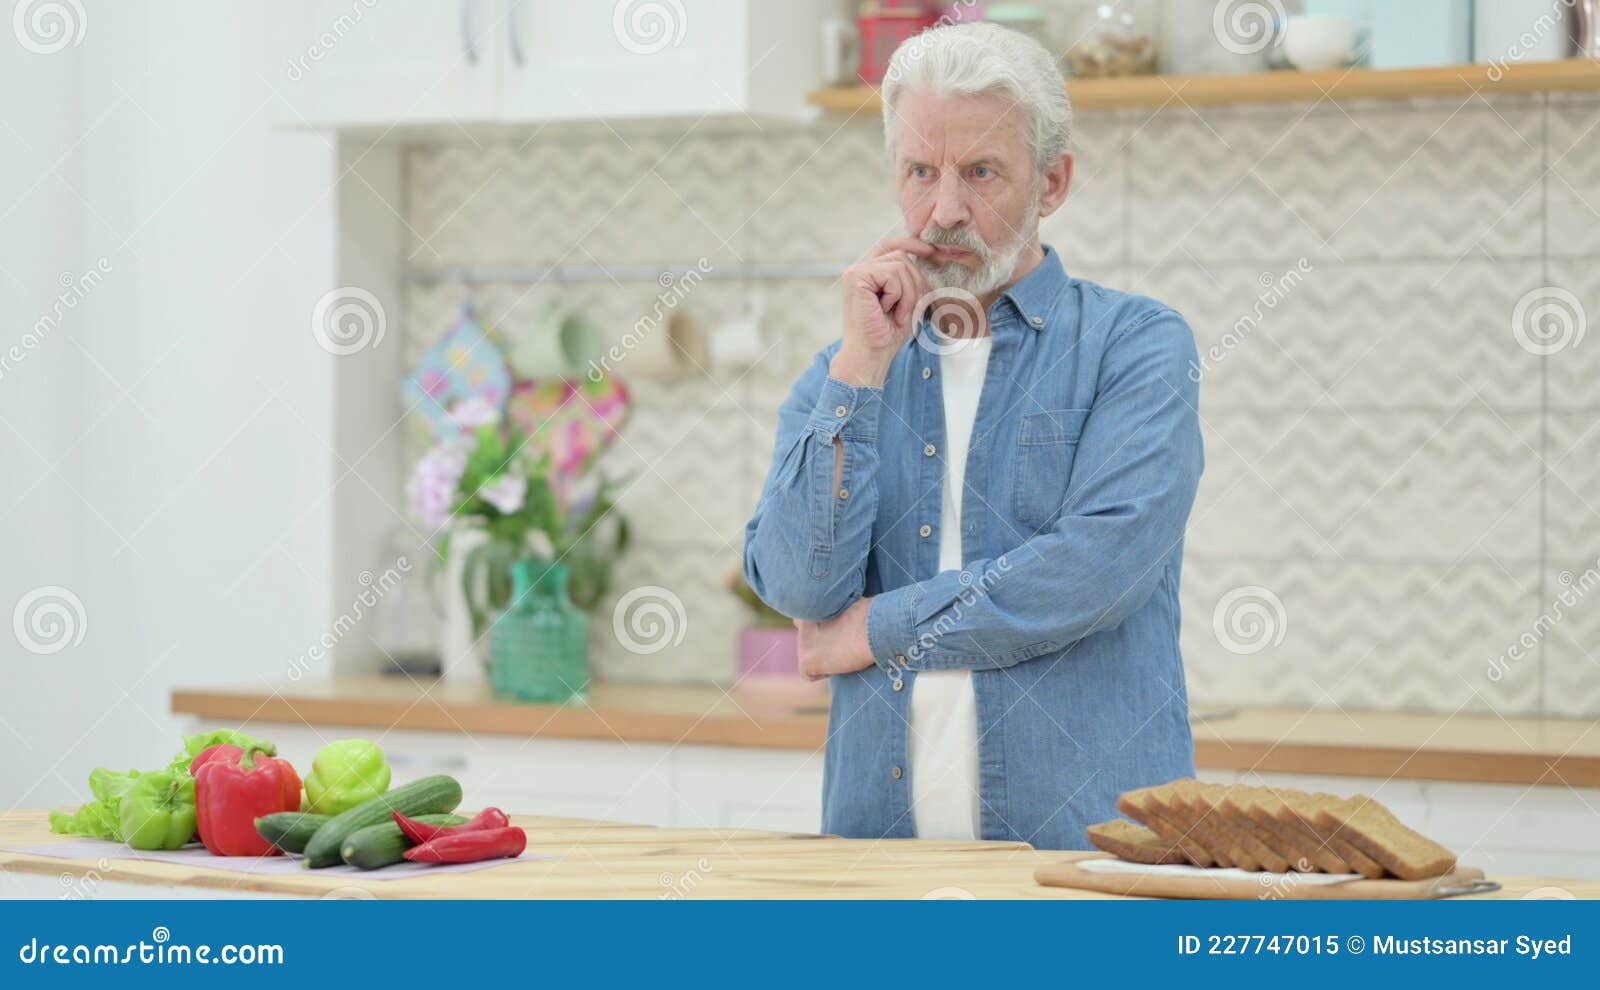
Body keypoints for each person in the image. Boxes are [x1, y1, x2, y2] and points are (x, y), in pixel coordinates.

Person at [742, 22, 1204, 849]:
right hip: (876, 868)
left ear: (1052, 183)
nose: (945, 211)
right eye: (921, 172)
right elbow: (796, 586)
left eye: (981, 172)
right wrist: (861, 370)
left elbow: (1094, 569)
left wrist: (873, 630)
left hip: (1087, 867)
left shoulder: (1135, 346)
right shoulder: (843, 374)